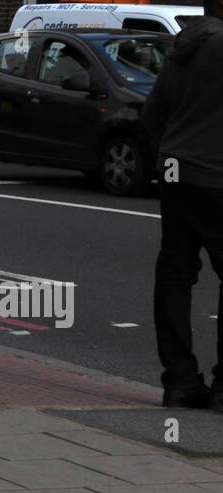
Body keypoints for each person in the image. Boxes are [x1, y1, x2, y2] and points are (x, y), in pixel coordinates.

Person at [142, 1, 223, 410]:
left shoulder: (183, 47)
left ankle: (180, 382)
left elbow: (153, 113)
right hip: (216, 174)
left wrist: (169, 157)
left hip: (177, 171)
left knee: (175, 274)